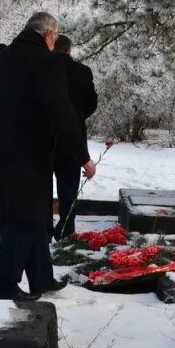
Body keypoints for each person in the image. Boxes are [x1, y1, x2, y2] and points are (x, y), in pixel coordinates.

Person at [0, 12, 96, 301]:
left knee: (33, 215)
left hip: (0, 149)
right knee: (21, 217)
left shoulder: (1, 60)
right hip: (29, 152)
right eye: (55, 38)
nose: (54, 43)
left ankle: (41, 277)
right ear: (48, 34)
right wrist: (82, 156)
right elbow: (61, 110)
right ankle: (4, 283)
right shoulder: (47, 62)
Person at [50, 35, 98, 240]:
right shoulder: (82, 72)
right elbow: (91, 104)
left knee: (41, 186)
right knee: (68, 186)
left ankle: (43, 229)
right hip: (73, 138)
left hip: (45, 136)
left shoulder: (43, 68)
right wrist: (75, 116)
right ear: (70, 50)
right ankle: (65, 230)